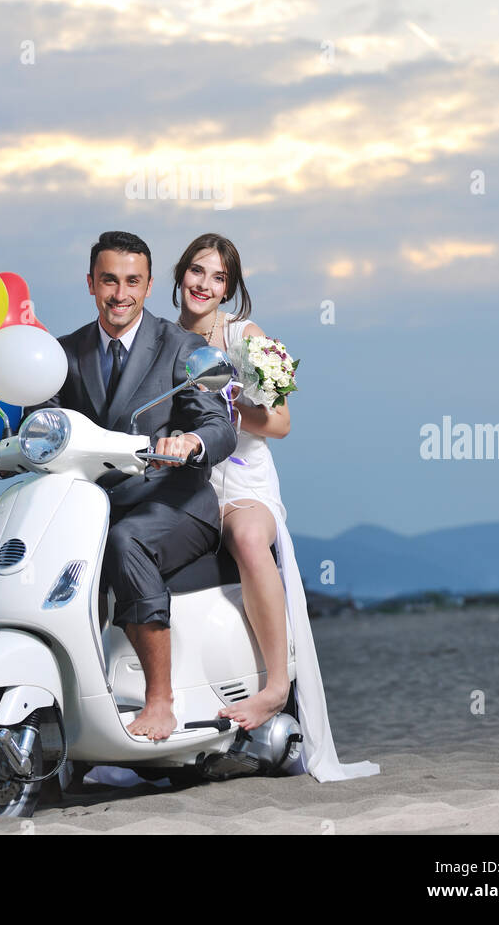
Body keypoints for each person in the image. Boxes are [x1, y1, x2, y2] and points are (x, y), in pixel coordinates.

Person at [0, 230, 236, 743]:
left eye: (133, 282)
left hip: (173, 502)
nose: (121, 294)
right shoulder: (64, 354)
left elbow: (219, 424)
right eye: (109, 280)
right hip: (92, 504)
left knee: (124, 543)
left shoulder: (180, 346)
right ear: (91, 283)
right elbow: (38, 425)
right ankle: (61, 701)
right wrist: (1, 451)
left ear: (149, 285)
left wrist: (191, 441)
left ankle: (160, 699)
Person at [173, 232, 379, 781]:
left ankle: (274, 688)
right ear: (180, 274)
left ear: (230, 289)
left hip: (243, 478)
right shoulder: (160, 338)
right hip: (185, 479)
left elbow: (281, 424)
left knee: (245, 539)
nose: (205, 285)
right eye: (198, 271)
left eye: (218, 278)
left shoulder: (246, 337)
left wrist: (226, 411)